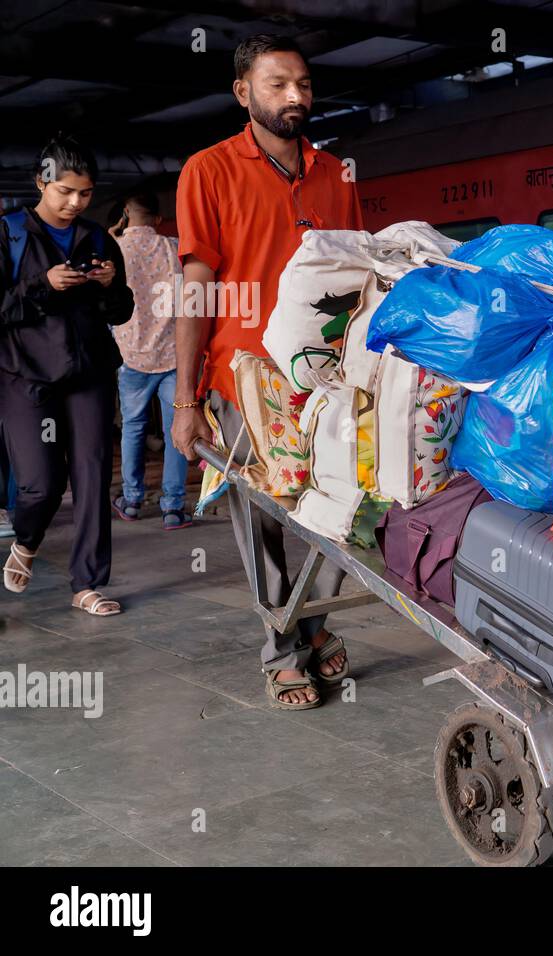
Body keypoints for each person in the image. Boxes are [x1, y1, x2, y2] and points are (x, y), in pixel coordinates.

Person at [171, 34, 364, 710]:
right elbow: (197, 284)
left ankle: (312, 626)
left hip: (327, 380)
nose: (295, 97)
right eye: (278, 83)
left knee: (339, 507)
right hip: (241, 377)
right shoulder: (209, 169)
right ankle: (280, 646)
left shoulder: (337, 173)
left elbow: (359, 274)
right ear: (242, 92)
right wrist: (185, 397)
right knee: (260, 518)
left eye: (304, 85)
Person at [0, 135, 134, 614]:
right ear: (42, 183)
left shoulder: (98, 238)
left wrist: (110, 286)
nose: (76, 203)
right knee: (39, 483)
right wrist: (44, 284)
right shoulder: (10, 233)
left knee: (94, 474)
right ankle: (27, 542)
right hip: (27, 377)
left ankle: (88, 583)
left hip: (90, 374)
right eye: (66, 192)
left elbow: (120, 313)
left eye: (85, 193)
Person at [109, 192, 192, 529]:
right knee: (178, 430)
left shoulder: (115, 249)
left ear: (126, 214)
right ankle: (173, 507)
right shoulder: (174, 247)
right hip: (175, 355)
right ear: (158, 219)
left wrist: (113, 232)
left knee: (133, 427)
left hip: (132, 355)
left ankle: (131, 500)